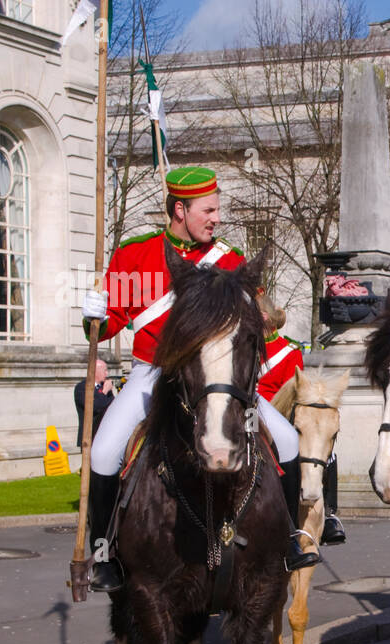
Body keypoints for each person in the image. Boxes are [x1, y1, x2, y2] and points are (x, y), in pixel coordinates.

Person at [80, 166, 318, 592]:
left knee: (286, 440)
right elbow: (109, 328)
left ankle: (288, 540)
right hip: (152, 373)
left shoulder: (230, 261)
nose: (216, 218)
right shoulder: (135, 256)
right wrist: (93, 314)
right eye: (207, 210)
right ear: (179, 209)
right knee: (103, 453)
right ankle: (105, 554)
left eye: (216, 209)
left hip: (218, 380)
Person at [257, 293, 346, 546]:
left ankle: (327, 515)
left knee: (323, 451)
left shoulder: (289, 351)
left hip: (278, 414)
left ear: (265, 319)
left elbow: (293, 391)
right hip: (247, 411)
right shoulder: (245, 346)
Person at [74, 358, 115, 448]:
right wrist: (104, 391)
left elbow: (112, 406)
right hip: (89, 437)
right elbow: (94, 407)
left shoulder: (105, 387)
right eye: (105, 370)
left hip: (105, 436)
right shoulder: (81, 388)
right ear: (96, 371)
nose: (106, 374)